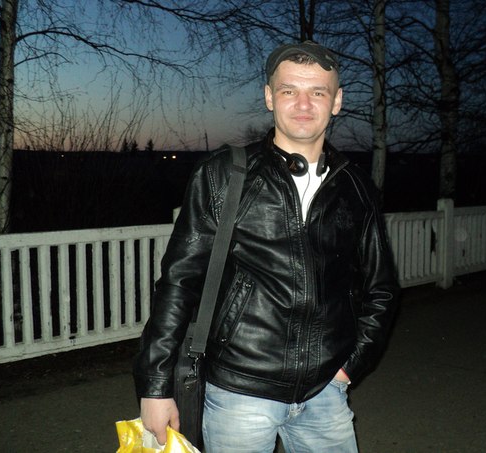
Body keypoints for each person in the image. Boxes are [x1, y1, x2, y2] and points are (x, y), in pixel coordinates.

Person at [133, 40, 400, 452]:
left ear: (337, 102)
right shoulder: (225, 174)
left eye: (318, 92)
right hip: (239, 390)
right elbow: (179, 282)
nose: (303, 104)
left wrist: (349, 368)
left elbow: (381, 288)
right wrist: (155, 386)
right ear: (269, 97)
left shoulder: (356, 186)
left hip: (326, 391)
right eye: (289, 90)